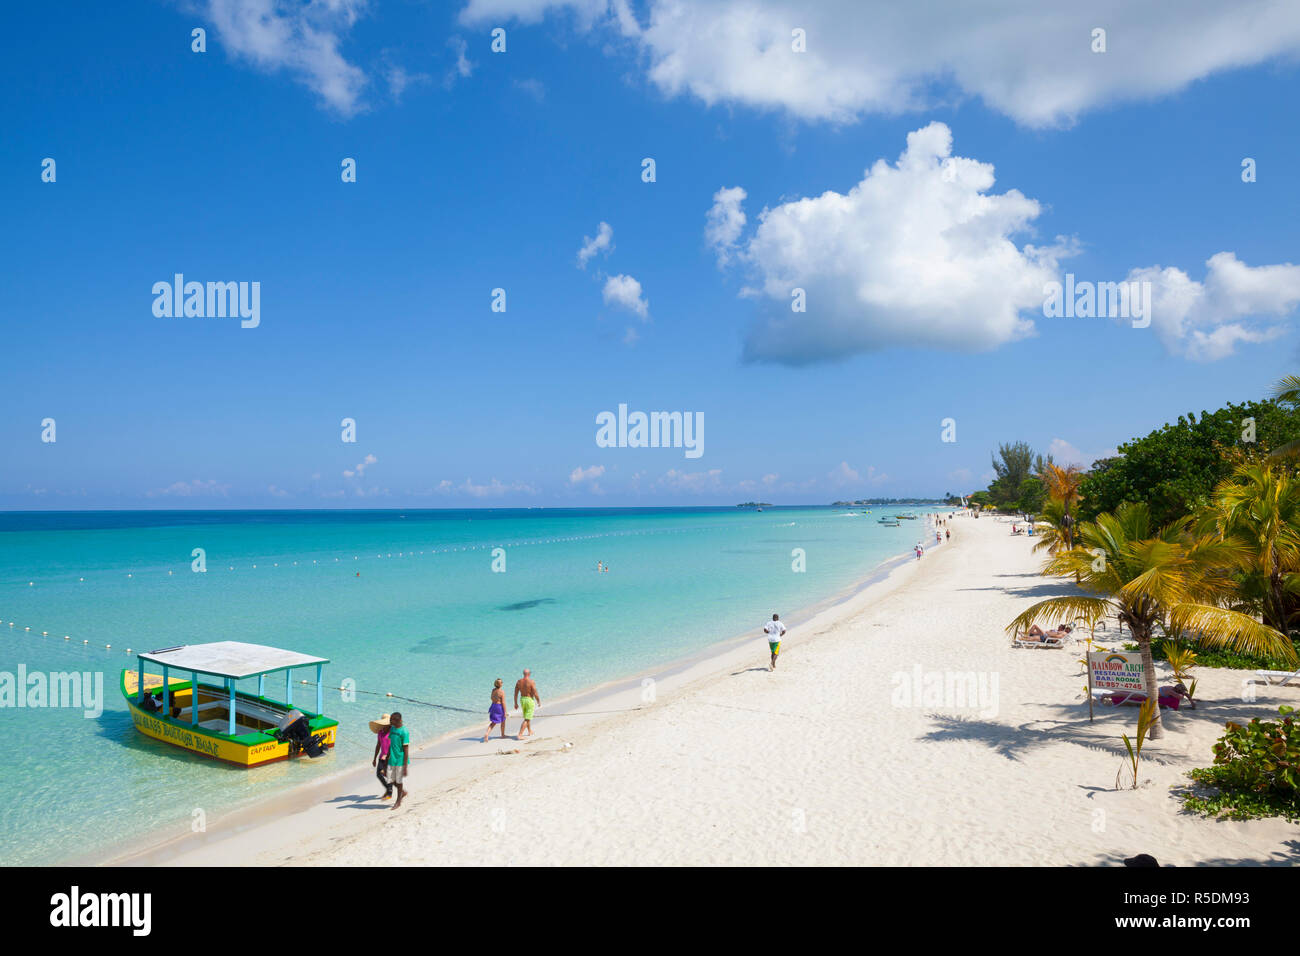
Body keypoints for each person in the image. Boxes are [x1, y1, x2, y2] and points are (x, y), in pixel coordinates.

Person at [386, 712, 410, 809]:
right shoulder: (392, 728)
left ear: (399, 721)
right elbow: (391, 743)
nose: (390, 722)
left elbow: (406, 749)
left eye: (392, 720)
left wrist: (405, 766)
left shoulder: (404, 732)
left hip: (400, 759)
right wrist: (387, 756)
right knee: (390, 779)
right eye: (390, 720)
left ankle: (398, 801)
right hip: (392, 758)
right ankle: (403, 792)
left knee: (399, 781)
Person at [370, 713, 394, 799]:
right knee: (379, 774)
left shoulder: (393, 732)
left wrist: (389, 756)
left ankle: (390, 792)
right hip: (382, 757)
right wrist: (374, 758)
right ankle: (389, 789)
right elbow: (378, 745)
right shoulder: (380, 733)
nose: (386, 725)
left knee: (388, 774)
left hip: (390, 757)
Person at [514, 669, 540, 739]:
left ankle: (529, 731)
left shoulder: (519, 682)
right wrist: (538, 701)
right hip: (529, 700)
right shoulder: (531, 681)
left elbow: (516, 693)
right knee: (527, 718)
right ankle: (520, 734)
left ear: (523, 674)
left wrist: (515, 703)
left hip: (522, 700)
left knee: (526, 716)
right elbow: (535, 692)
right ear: (529, 674)